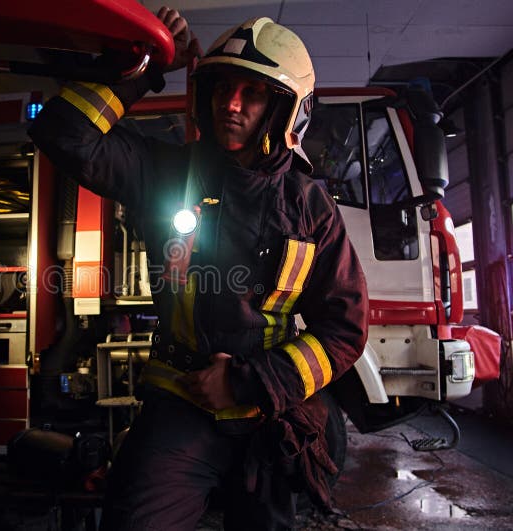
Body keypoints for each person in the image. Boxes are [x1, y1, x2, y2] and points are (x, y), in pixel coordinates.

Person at [29, 7, 368, 530]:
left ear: (286, 110)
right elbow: (64, 132)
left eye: (252, 94)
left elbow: (345, 329)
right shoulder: (168, 172)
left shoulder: (311, 209)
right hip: (179, 409)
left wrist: (250, 383)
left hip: (268, 415)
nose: (230, 104)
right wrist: (146, 64)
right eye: (222, 88)